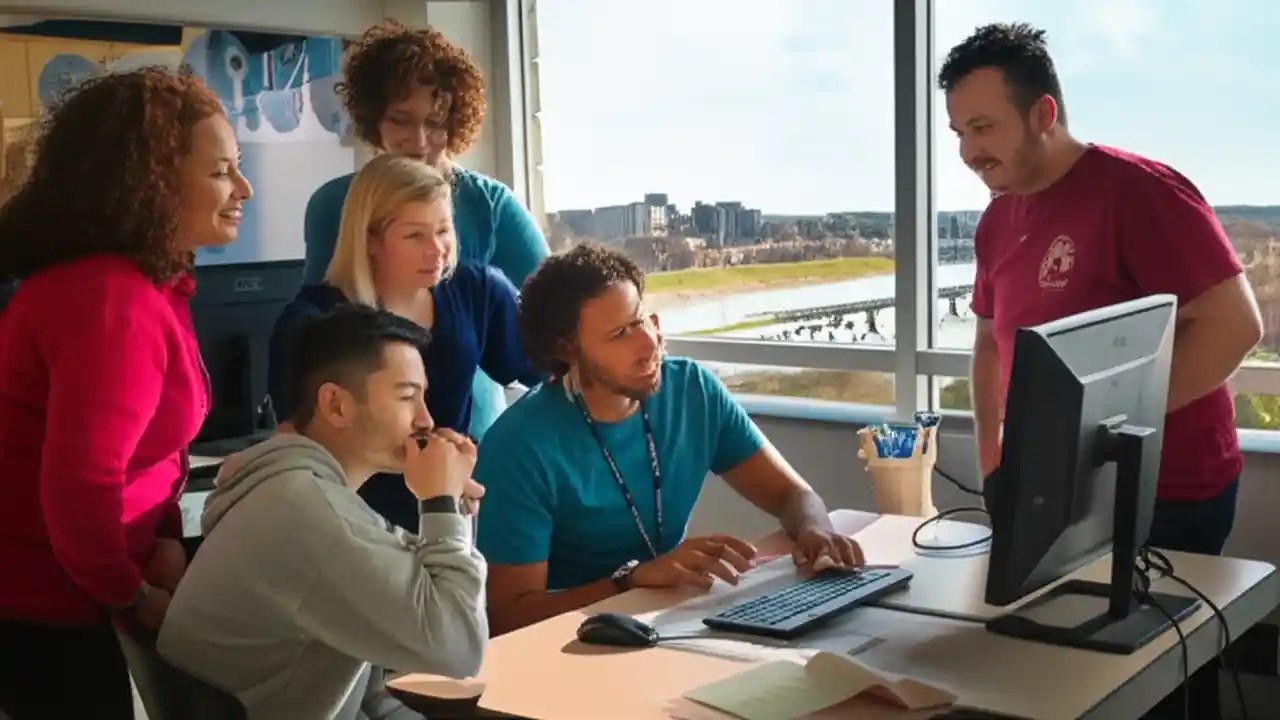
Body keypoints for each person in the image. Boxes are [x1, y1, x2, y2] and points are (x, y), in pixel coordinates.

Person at [939, 23, 1263, 720]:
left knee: (1163, 688)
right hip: (1058, 493)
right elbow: (992, 343)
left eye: (983, 128)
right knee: (1062, 683)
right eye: (959, 133)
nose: (967, 152)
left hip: (1169, 492)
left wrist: (1097, 437)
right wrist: (996, 460)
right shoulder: (996, 220)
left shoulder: (1139, 192)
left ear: (1043, 113)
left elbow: (1235, 327)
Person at [0, 68, 252, 719]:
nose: (242, 189)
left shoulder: (142, 285)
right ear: (153, 182)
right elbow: (81, 487)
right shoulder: (109, 302)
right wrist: (131, 595)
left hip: (87, 591)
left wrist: (162, 540)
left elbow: (151, 454)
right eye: (221, 171)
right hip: (50, 611)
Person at [474, 244, 865, 636]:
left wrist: (815, 529)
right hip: (565, 645)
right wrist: (630, 581)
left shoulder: (692, 390)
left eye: (641, 318)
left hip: (665, 624)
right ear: (567, 348)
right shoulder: (518, 448)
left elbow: (791, 495)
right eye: (620, 334)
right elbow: (507, 616)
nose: (648, 344)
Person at [159, 305, 488, 720]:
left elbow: (372, 696)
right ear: (336, 405)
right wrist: (439, 502)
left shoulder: (303, 495)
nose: (426, 420)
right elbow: (459, 649)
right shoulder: (309, 516)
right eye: (407, 397)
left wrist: (454, 506)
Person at [270, 153, 542, 532]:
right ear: (370, 241)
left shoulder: (477, 290)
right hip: (346, 523)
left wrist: (499, 460)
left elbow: (550, 373)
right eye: (415, 235)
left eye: (443, 230)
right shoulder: (310, 324)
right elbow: (296, 442)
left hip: (449, 512)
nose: (437, 249)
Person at [306, 20, 549, 440]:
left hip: (470, 440)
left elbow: (557, 312)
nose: (419, 141)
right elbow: (314, 334)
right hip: (363, 442)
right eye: (401, 121)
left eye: (435, 123)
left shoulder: (490, 205)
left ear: (455, 122)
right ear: (374, 120)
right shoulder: (332, 205)